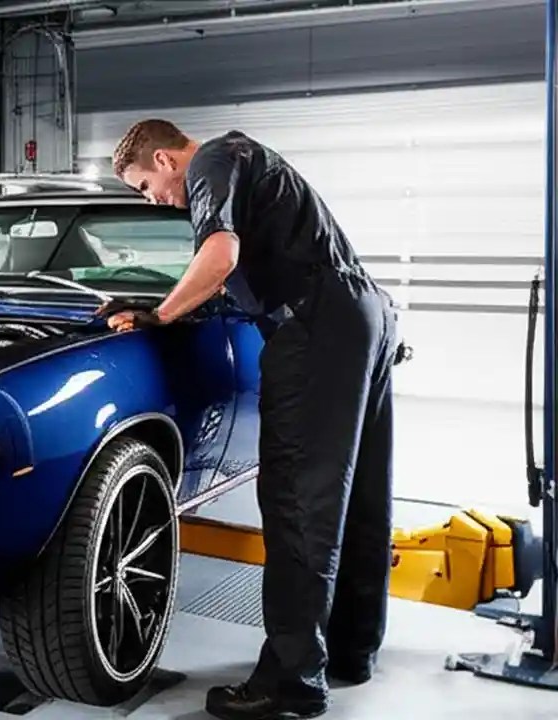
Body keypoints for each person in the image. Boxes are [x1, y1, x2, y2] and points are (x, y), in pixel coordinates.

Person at [101, 120, 399, 719]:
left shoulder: (211, 162)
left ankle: (291, 682)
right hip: (365, 314)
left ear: (164, 158)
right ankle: (349, 649)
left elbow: (219, 255)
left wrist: (158, 315)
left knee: (297, 500)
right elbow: (230, 278)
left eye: (144, 186)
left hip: (313, 328)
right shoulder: (249, 160)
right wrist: (175, 307)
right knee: (357, 496)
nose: (152, 199)